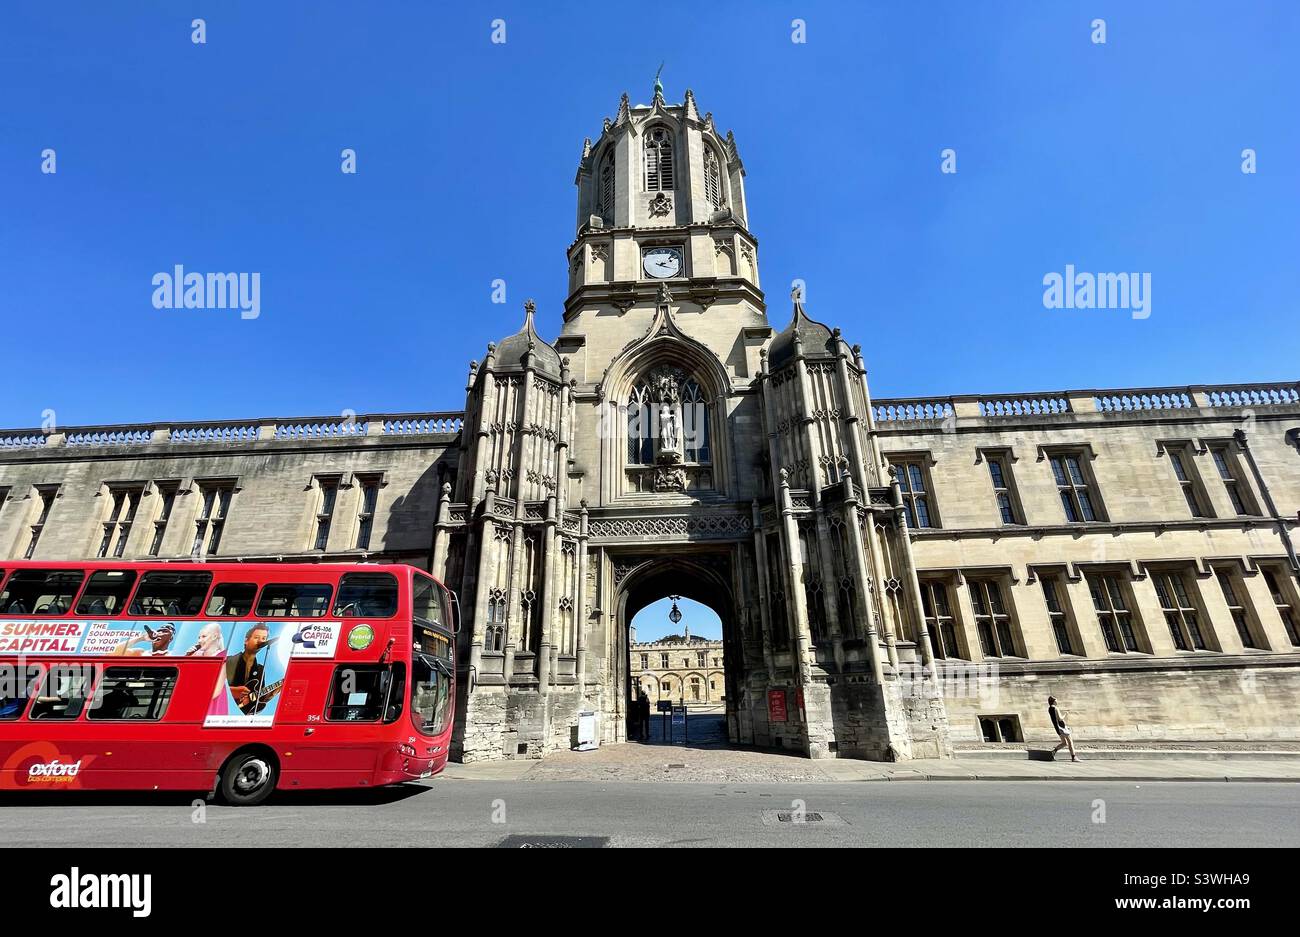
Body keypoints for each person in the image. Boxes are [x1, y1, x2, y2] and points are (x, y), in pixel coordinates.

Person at [1048, 695, 1078, 762]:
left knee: (1064, 743)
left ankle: (1053, 752)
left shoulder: (1049, 709)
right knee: (1070, 742)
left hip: (1057, 728)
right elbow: (1060, 718)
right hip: (1062, 728)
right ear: (1053, 701)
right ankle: (1074, 757)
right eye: (1056, 700)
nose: (1057, 701)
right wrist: (1066, 714)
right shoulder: (1056, 708)